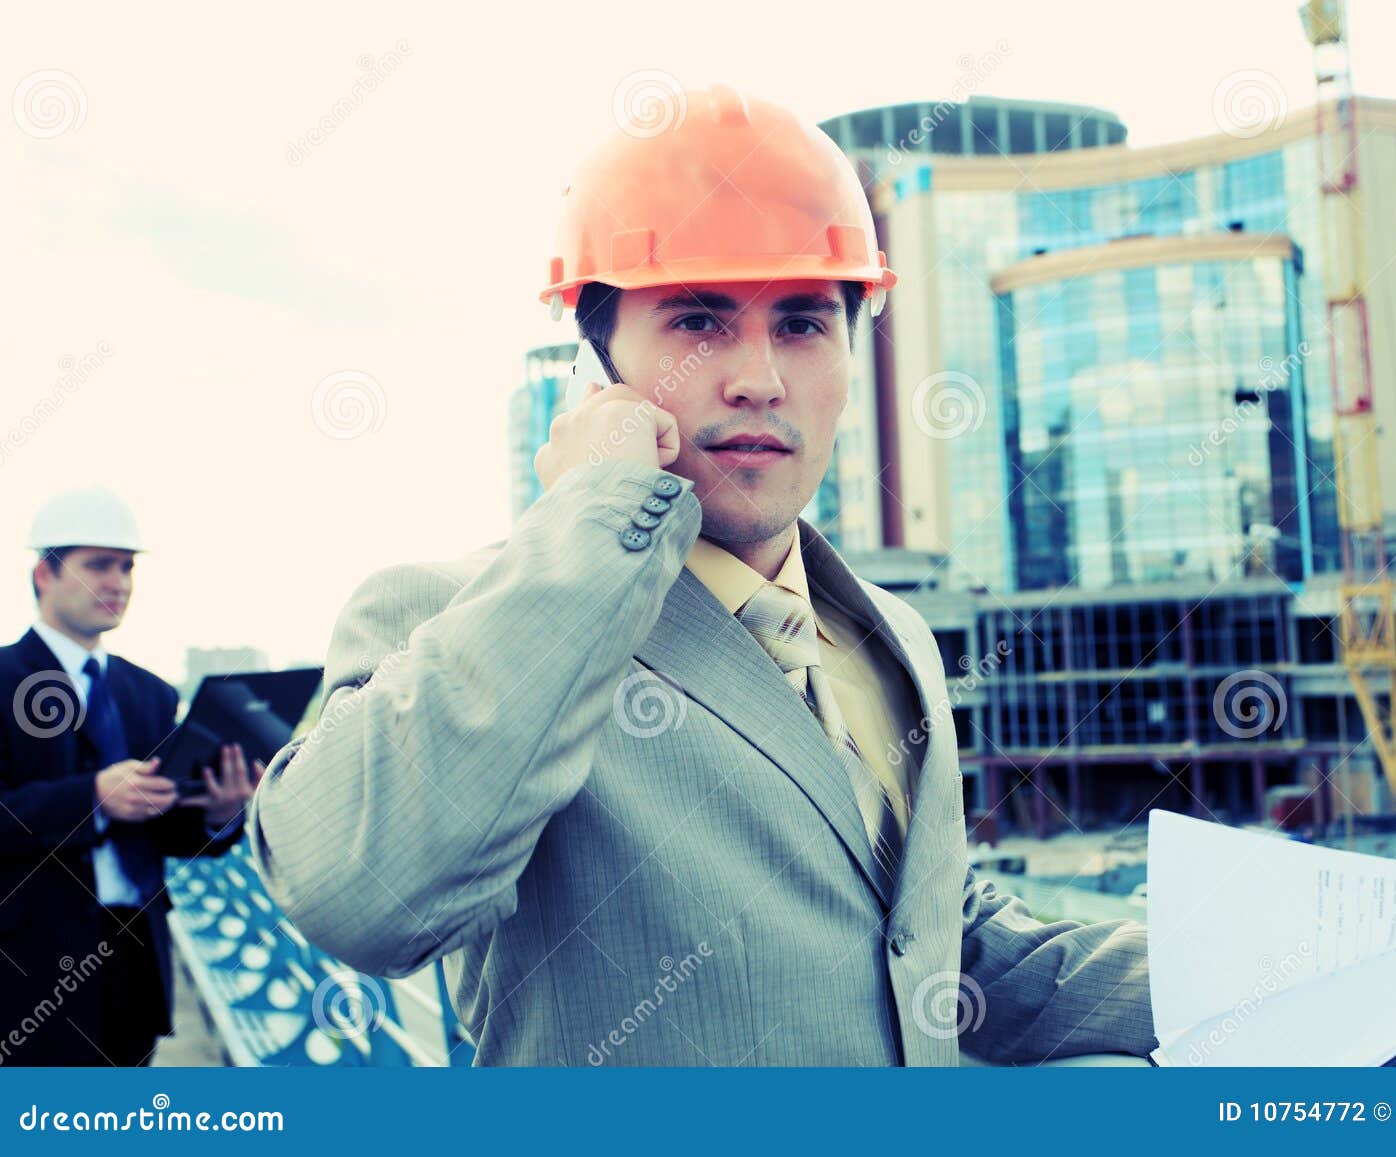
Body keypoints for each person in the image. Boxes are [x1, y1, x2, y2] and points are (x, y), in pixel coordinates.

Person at [250, 85, 1155, 1066]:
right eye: (697, 322)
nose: (759, 375)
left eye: (805, 323)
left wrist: (1252, 974)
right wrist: (596, 513)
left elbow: (933, 940)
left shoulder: (889, 636)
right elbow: (358, 891)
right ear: (595, 366)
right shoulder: (458, 611)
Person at [0, 488, 261, 1066]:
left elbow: (168, 832)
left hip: (134, 962)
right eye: (98, 565)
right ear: (45, 572)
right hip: (27, 967)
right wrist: (92, 799)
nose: (118, 582)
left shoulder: (149, 693)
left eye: (126, 567)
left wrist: (219, 815)